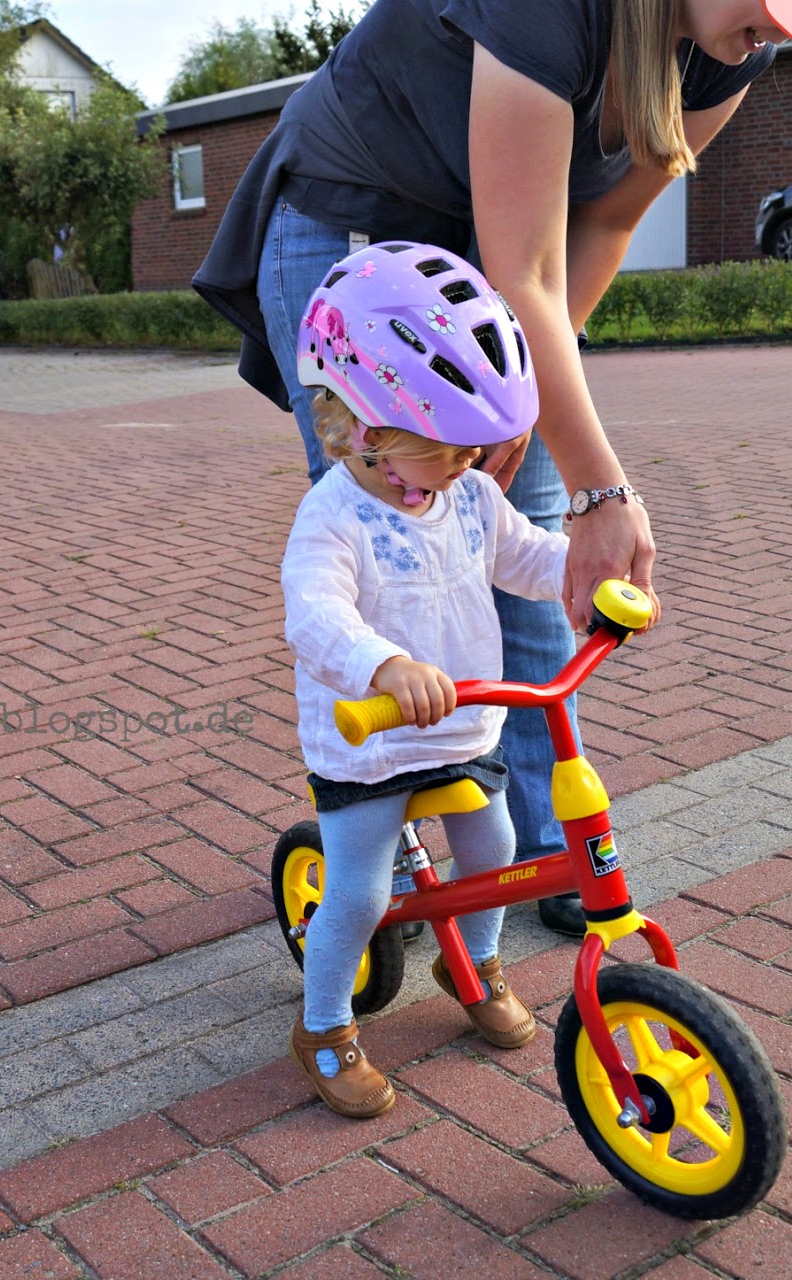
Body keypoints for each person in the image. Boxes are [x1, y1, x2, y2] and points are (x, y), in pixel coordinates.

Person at [195, 0, 781, 936]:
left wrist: (526, 405)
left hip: (498, 268)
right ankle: (377, 838)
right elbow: (524, 269)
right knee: (392, 535)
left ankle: (543, 855)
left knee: (524, 530)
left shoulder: (728, 45)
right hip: (360, 237)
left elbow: (603, 224)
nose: (787, 32)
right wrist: (604, 488)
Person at [282, 244, 566, 1118]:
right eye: (448, 446)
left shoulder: (472, 496)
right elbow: (315, 616)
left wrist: (584, 575)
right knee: (363, 892)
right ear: (362, 427)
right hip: (369, 745)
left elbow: (524, 556)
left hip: (460, 731)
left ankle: (472, 963)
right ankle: (324, 1025)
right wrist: (385, 666)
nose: (470, 462)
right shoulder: (333, 515)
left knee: (498, 850)